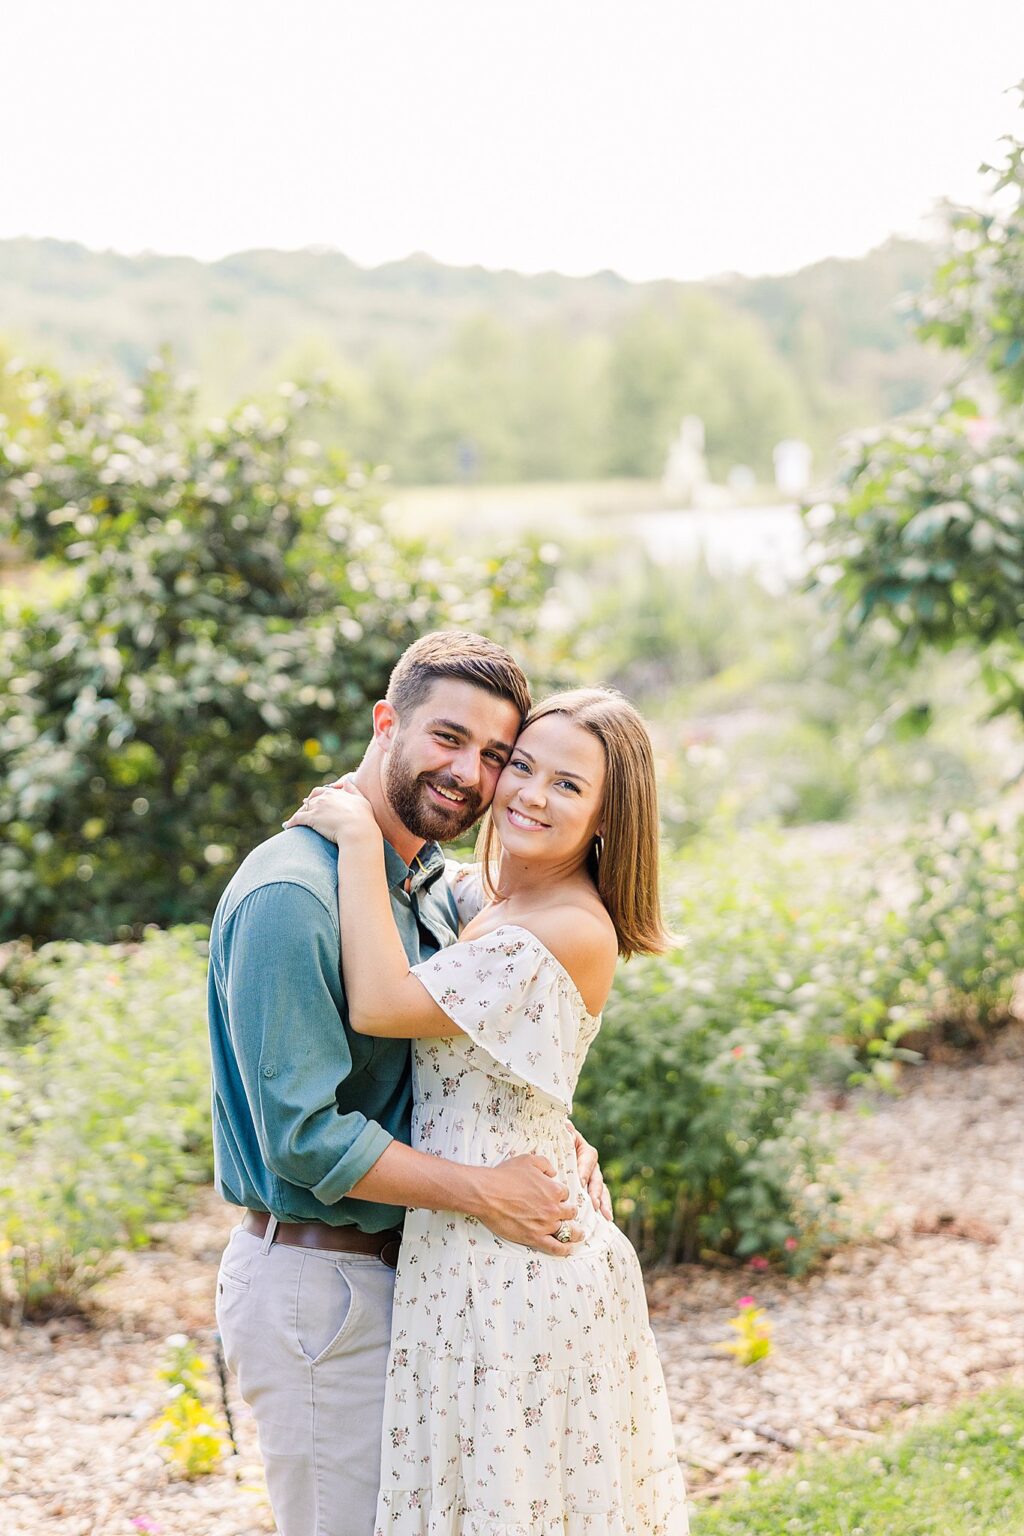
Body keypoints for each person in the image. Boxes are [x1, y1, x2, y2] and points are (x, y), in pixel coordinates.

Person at [209, 633, 611, 1536]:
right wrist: (485, 1192)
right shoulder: (295, 897)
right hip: (324, 1290)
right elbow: (305, 1140)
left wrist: (548, 1136)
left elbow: (465, 1052)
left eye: (495, 756)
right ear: (387, 721)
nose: (471, 774)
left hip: (424, 1287)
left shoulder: (417, 883)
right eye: (448, 738)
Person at [286, 687, 689, 1533]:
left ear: (610, 817)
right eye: (521, 766)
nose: (528, 795)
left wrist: (359, 833)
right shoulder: (500, 899)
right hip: (471, 1245)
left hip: (515, 1272)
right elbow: (450, 899)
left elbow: (383, 1004)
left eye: (569, 786)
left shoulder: (566, 926)